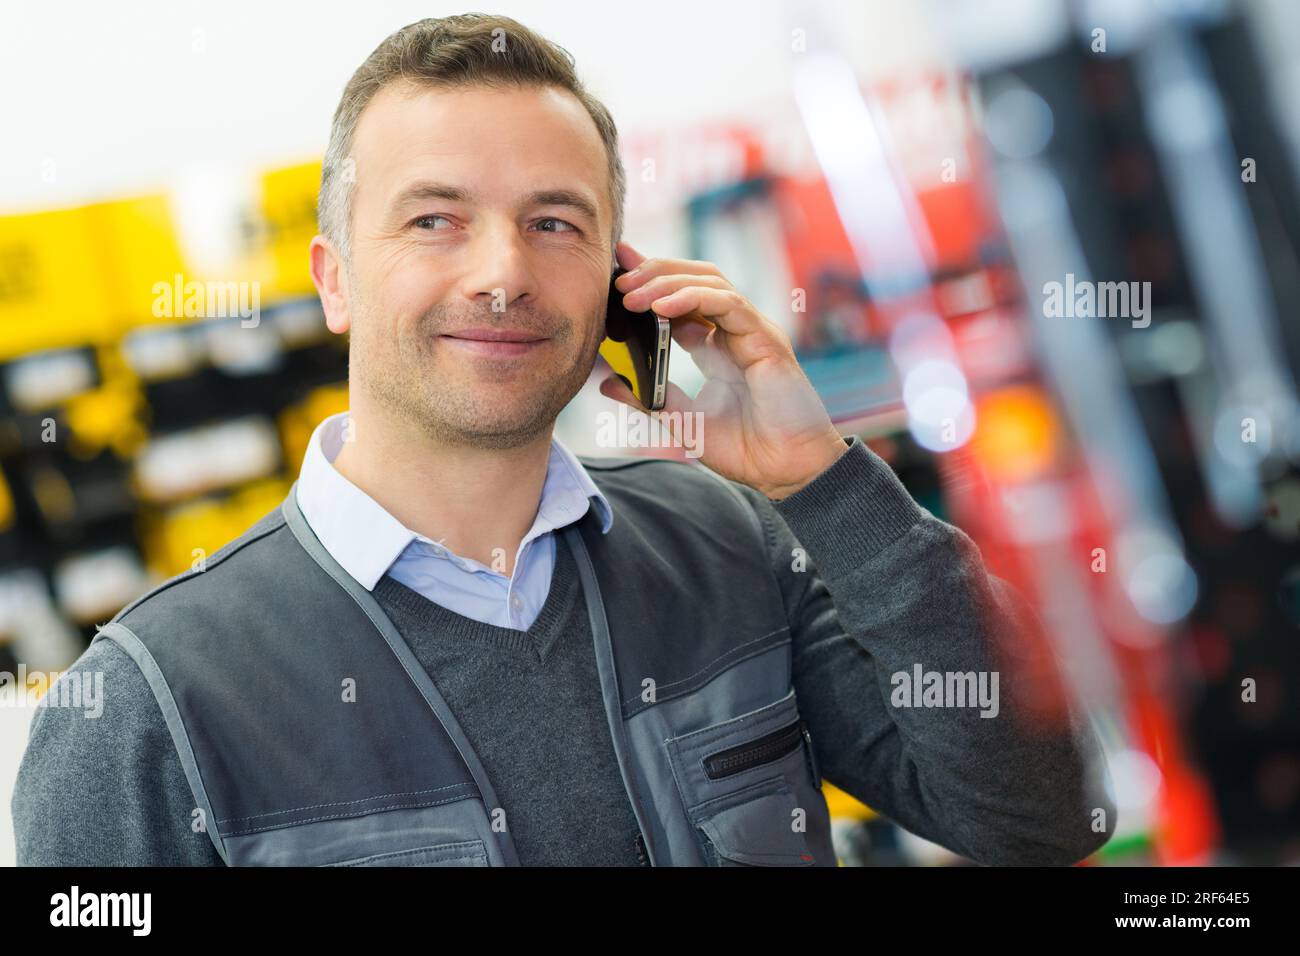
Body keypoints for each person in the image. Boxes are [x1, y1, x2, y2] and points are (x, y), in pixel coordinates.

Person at [12, 13, 1113, 867]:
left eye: (554, 222)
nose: (501, 271)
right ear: (334, 277)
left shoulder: (730, 549)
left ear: (620, 281)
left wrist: (821, 480)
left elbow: (1043, 815)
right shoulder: (146, 710)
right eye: (434, 217)